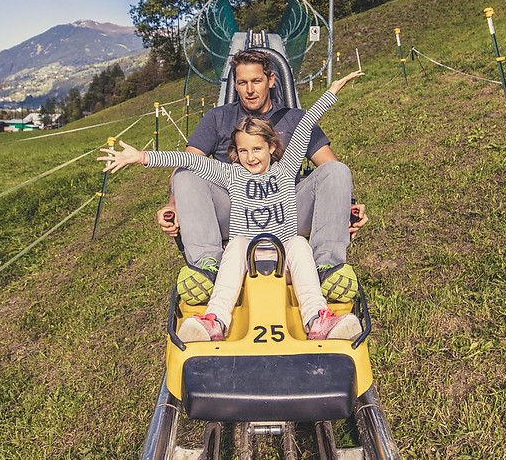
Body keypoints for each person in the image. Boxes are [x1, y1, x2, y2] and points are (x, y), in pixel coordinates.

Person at [100, 70, 366, 342]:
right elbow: (190, 161)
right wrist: (141, 156)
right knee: (236, 246)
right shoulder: (232, 175)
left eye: (257, 149)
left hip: (284, 252)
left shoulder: (286, 170)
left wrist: (332, 91)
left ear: (272, 148)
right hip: (245, 255)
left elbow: (307, 123)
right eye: (243, 151)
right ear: (235, 154)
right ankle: (215, 320)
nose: (251, 157)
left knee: (299, 243)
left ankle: (317, 318)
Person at [158, 49, 367, 306]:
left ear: (270, 80)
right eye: (242, 82)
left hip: (286, 213)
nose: (249, 90)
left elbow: (330, 167)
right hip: (237, 215)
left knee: (337, 171)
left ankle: (328, 266)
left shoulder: (295, 120)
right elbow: (186, 163)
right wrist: (172, 204)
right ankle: (207, 268)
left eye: (256, 81)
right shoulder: (218, 118)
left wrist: (349, 205)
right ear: (235, 84)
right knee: (188, 175)